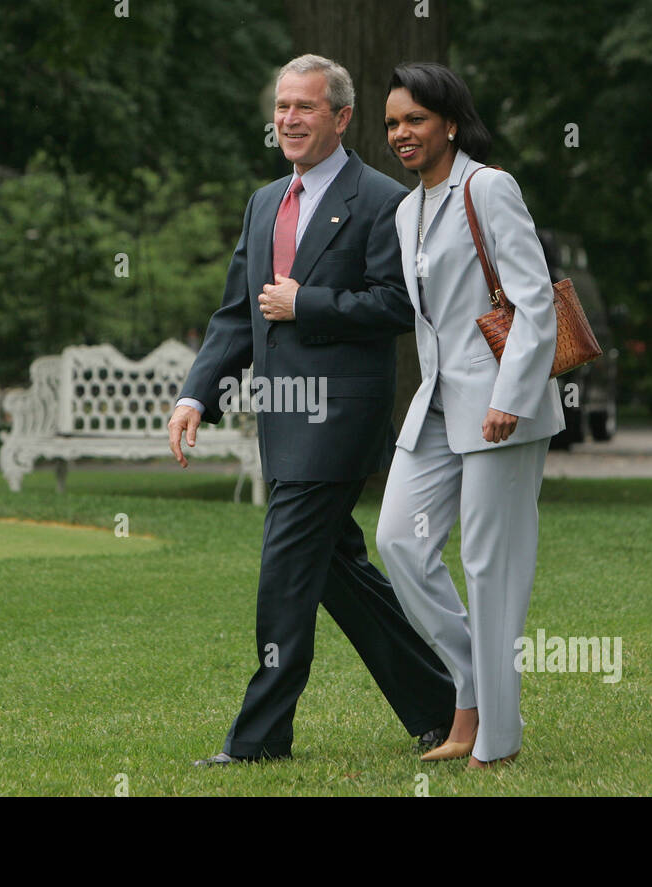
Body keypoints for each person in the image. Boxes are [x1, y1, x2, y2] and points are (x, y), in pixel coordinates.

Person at [168, 54, 456, 765]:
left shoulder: (385, 198)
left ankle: (261, 735)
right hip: (280, 416)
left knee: (286, 568)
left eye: (304, 107)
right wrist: (195, 392)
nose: (289, 119)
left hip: (340, 420)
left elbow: (396, 304)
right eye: (282, 107)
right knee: (338, 572)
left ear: (341, 118)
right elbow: (236, 313)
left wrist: (308, 304)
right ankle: (443, 704)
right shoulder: (265, 201)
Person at [375, 62, 565, 769]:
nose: (401, 133)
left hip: (501, 409)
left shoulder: (488, 187)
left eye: (415, 120)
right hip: (436, 405)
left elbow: (534, 299)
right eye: (392, 122)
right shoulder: (405, 209)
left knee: (491, 566)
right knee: (398, 541)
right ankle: (471, 686)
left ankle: (494, 733)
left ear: (449, 123)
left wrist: (508, 397)